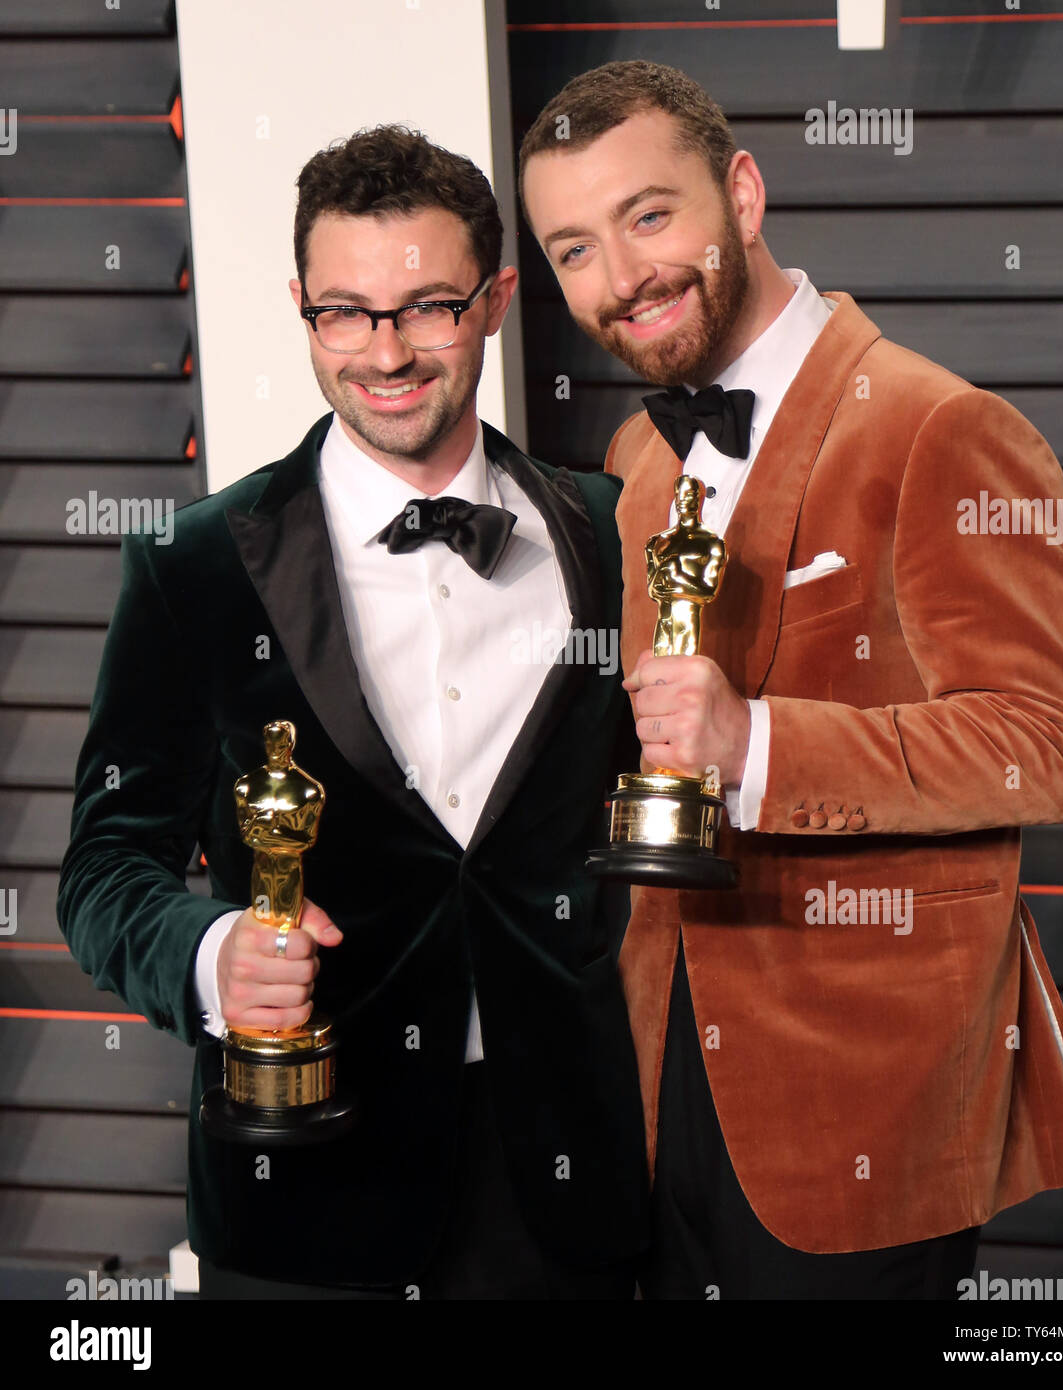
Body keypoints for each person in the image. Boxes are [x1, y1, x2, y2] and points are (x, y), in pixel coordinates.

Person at [519, 60, 1063, 1299]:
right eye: (574, 247)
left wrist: (761, 745)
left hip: (866, 1100)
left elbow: (1051, 743)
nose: (621, 277)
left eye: (647, 216)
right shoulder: (639, 453)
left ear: (741, 192)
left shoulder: (941, 426)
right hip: (659, 1070)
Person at [57, 124, 647, 1299]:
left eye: (428, 306)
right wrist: (214, 955)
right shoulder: (193, 570)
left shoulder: (609, 530)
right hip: (305, 1202)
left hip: (570, 1192)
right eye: (345, 311)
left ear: (495, 302)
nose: (386, 352)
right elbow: (104, 870)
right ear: (301, 307)